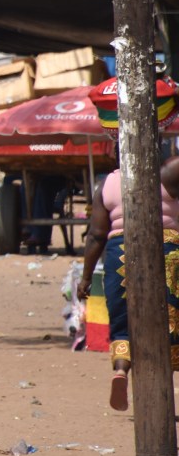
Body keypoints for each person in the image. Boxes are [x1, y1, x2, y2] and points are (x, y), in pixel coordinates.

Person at [77, 158, 179, 411]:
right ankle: (164, 381)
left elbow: (96, 235)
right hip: (165, 250)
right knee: (171, 320)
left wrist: (86, 277)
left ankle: (121, 370)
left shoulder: (106, 185)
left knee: (122, 323)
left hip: (120, 253)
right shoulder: (167, 172)